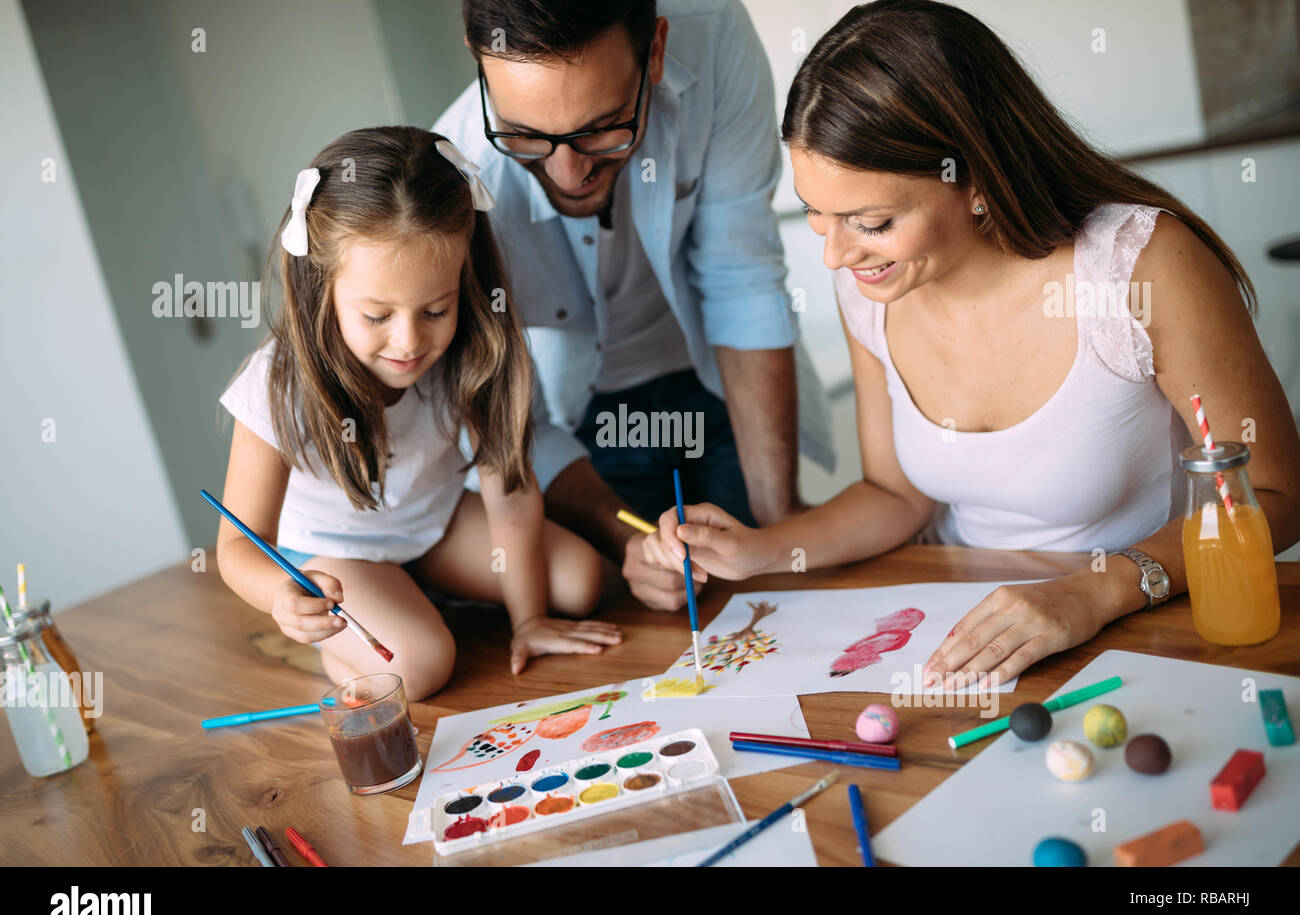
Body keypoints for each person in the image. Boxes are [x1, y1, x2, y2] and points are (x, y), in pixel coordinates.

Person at [645, 0, 1300, 687]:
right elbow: (895, 495)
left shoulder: (1141, 267)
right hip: (953, 626)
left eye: (869, 221)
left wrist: (1094, 589)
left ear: (977, 182)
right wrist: (759, 549)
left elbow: (1277, 493)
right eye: (816, 213)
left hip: (1150, 628)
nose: (835, 255)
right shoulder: (873, 290)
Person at [434, 0, 836, 612]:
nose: (568, 172)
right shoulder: (460, 182)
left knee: (766, 598)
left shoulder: (717, 34)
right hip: (578, 417)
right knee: (639, 611)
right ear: (478, 60)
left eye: (603, 126)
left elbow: (742, 280)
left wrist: (781, 523)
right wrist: (632, 541)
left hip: (721, 382)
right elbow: (514, 416)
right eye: (526, 136)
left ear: (655, 52)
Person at [216, 126, 619, 699]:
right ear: (321, 288)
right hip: (335, 555)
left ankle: (413, 589)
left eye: (436, 308)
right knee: (423, 663)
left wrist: (529, 621)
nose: (409, 342)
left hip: (432, 524)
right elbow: (236, 546)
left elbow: (509, 489)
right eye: (376, 316)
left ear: (464, 278)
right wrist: (282, 594)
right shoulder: (278, 381)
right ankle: (354, 638)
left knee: (579, 583)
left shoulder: (472, 348)